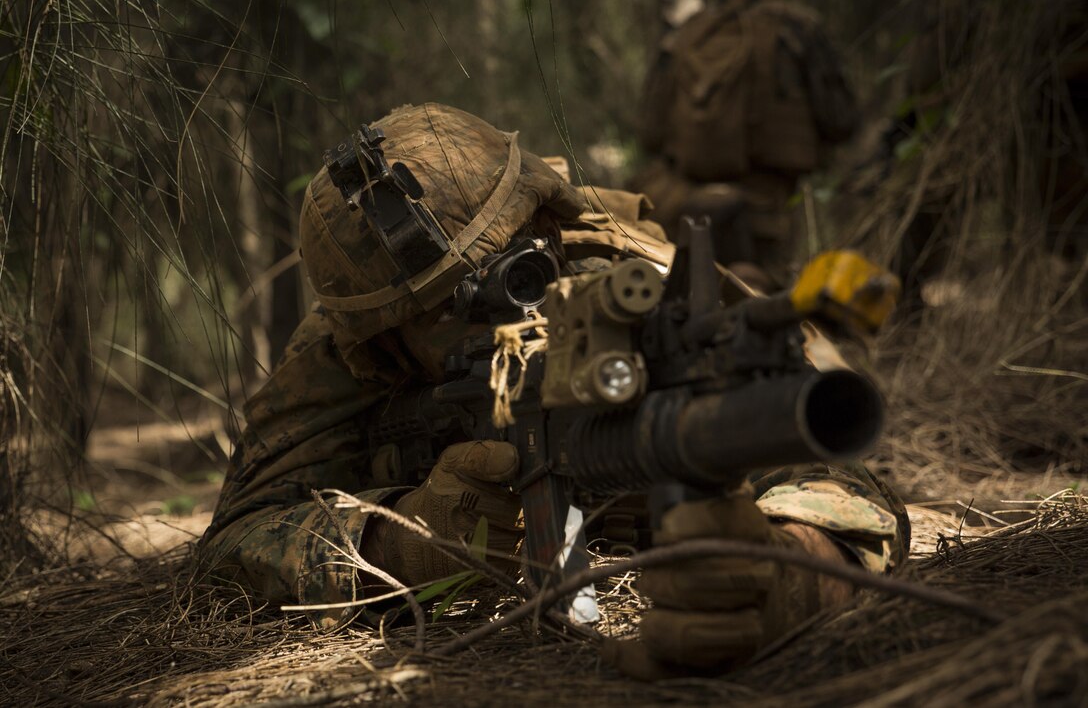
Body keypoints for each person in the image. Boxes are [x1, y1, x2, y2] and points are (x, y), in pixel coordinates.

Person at [198, 102, 908, 679]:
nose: (511, 311)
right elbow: (228, 546)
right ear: (386, 337)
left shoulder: (640, 275)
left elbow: (835, 468)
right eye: (445, 309)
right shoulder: (340, 351)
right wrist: (398, 541)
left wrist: (789, 577)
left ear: (546, 216)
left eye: (524, 256)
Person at [631, 0, 859, 288]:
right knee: (763, 304)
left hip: (687, 205)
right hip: (769, 208)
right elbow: (840, 121)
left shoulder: (686, 34)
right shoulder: (797, 29)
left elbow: (650, 132)